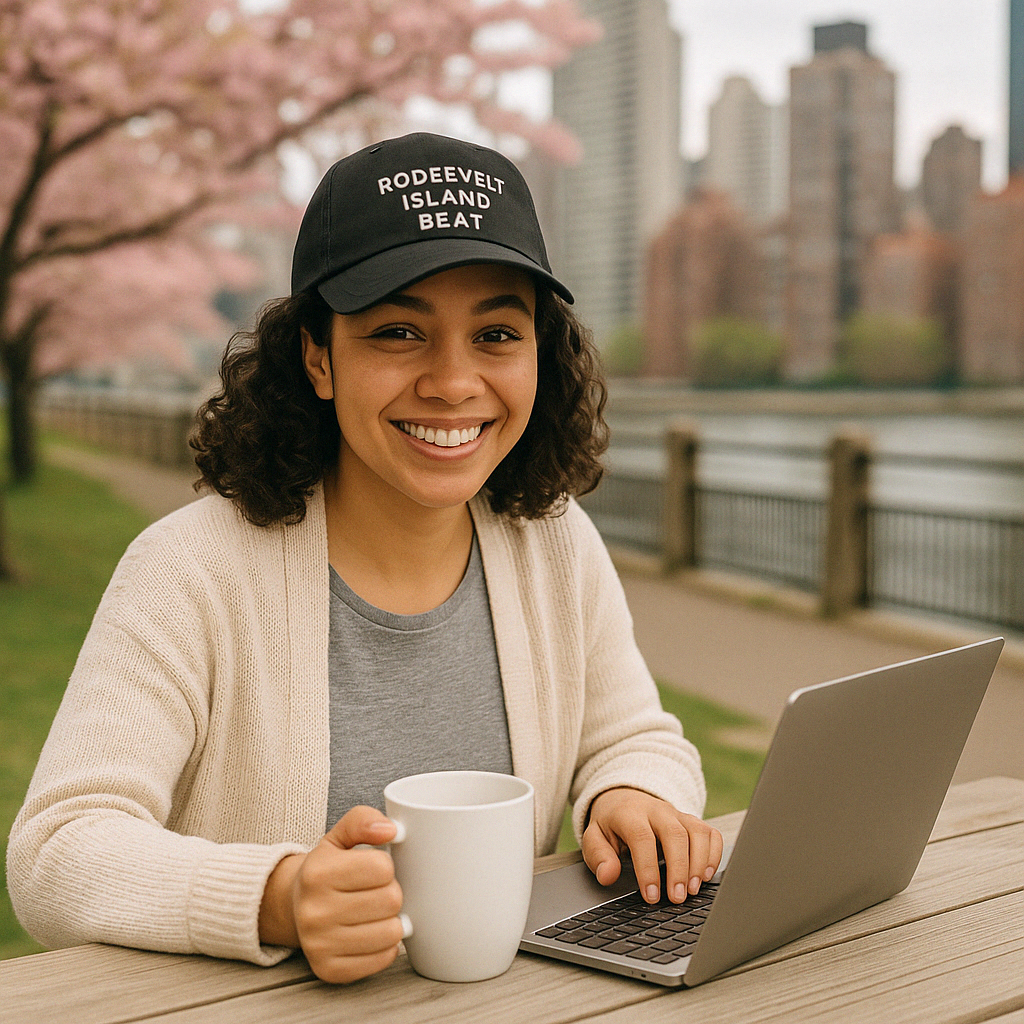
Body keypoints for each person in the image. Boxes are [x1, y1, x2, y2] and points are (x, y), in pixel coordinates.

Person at [8, 133, 721, 984]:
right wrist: (276, 894)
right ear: (318, 357)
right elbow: (57, 851)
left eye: (496, 333)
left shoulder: (553, 540)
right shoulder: (188, 569)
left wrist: (633, 794)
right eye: (397, 332)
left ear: (542, 354)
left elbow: (635, 736)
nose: (454, 382)